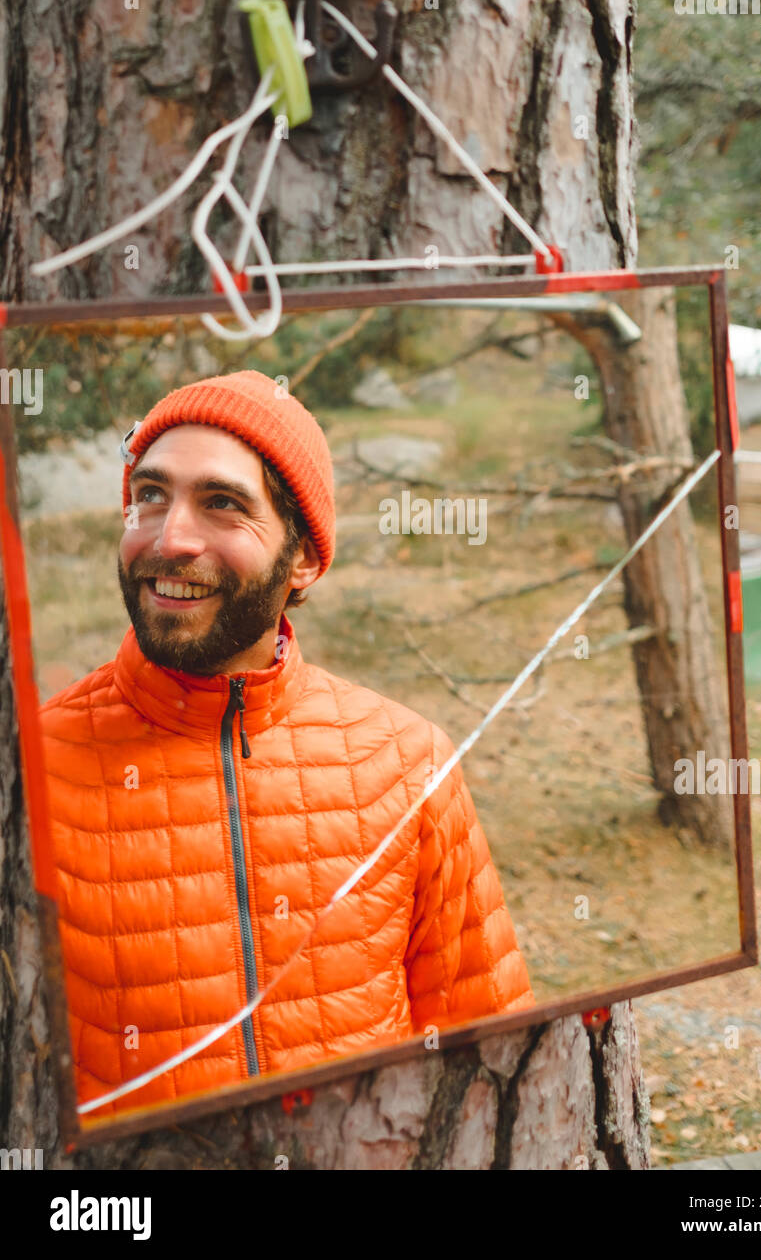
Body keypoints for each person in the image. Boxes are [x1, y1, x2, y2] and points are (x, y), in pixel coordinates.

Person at [40, 369, 534, 1118]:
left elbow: (489, 1052)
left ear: (303, 558)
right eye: (149, 495)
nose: (170, 537)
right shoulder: (30, 772)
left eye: (223, 504)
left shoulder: (407, 762)